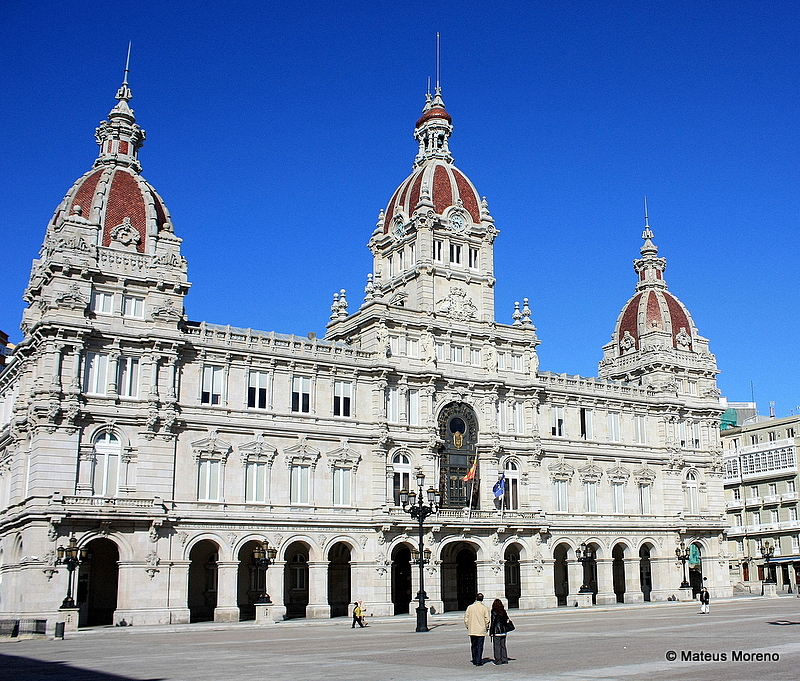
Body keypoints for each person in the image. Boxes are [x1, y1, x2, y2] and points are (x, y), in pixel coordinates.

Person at [464, 593, 490, 666]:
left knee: (473, 645)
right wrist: (486, 627)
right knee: (480, 646)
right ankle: (478, 660)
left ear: (476, 598)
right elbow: (487, 619)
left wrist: (468, 626)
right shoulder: (484, 608)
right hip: (481, 630)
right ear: (482, 599)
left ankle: (475, 659)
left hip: (472, 630)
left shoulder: (470, 607)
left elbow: (466, 619)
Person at [489, 598, 512, 664]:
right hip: (503, 631)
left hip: (497, 631)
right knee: (503, 646)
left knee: (497, 646)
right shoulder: (503, 611)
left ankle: (498, 660)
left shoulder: (494, 611)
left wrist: (491, 632)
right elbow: (506, 620)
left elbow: (493, 622)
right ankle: (504, 659)